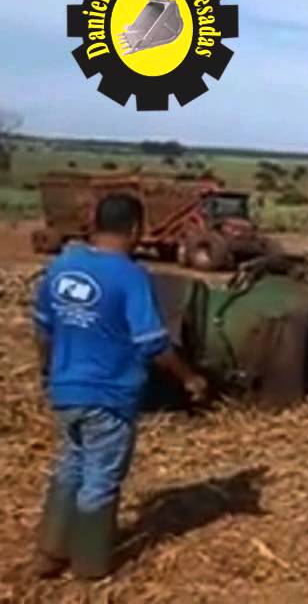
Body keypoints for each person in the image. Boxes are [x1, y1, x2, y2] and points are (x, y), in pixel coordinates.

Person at [29, 193, 208, 580]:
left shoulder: (62, 266)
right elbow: (153, 344)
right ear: (134, 229)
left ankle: (49, 552)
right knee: (101, 478)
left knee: (71, 466)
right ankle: (90, 565)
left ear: (94, 225)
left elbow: (43, 328)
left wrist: (48, 371)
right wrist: (189, 377)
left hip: (65, 392)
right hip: (109, 396)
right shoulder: (130, 276)